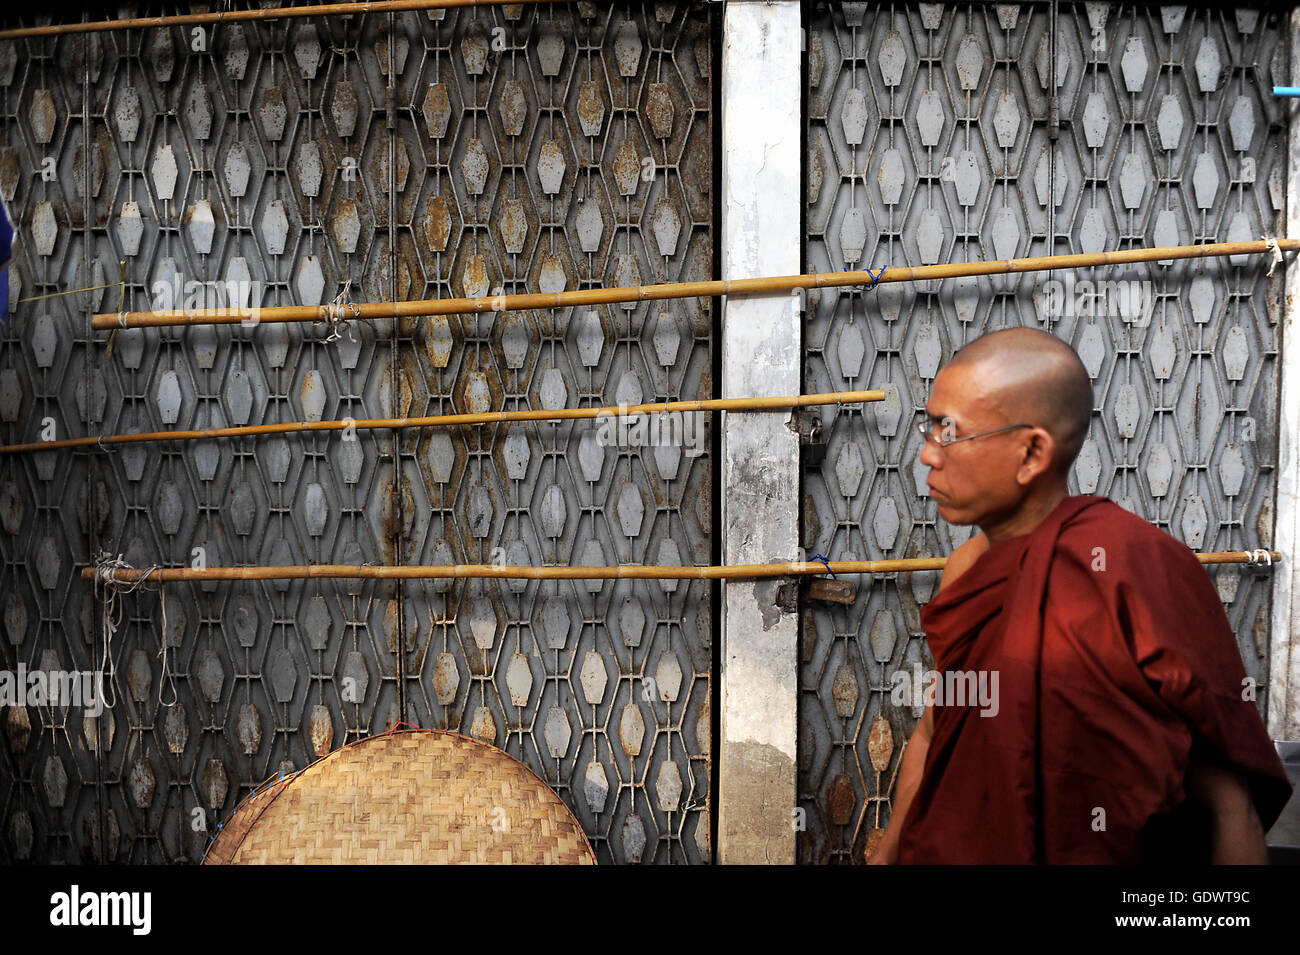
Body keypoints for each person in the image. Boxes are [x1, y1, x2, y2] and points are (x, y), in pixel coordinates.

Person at [869, 326, 1292, 864]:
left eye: (949, 433)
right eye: (930, 430)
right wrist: (885, 854)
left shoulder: (1138, 566)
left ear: (1031, 454)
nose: (929, 455)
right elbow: (935, 731)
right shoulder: (965, 572)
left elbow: (1230, 803)